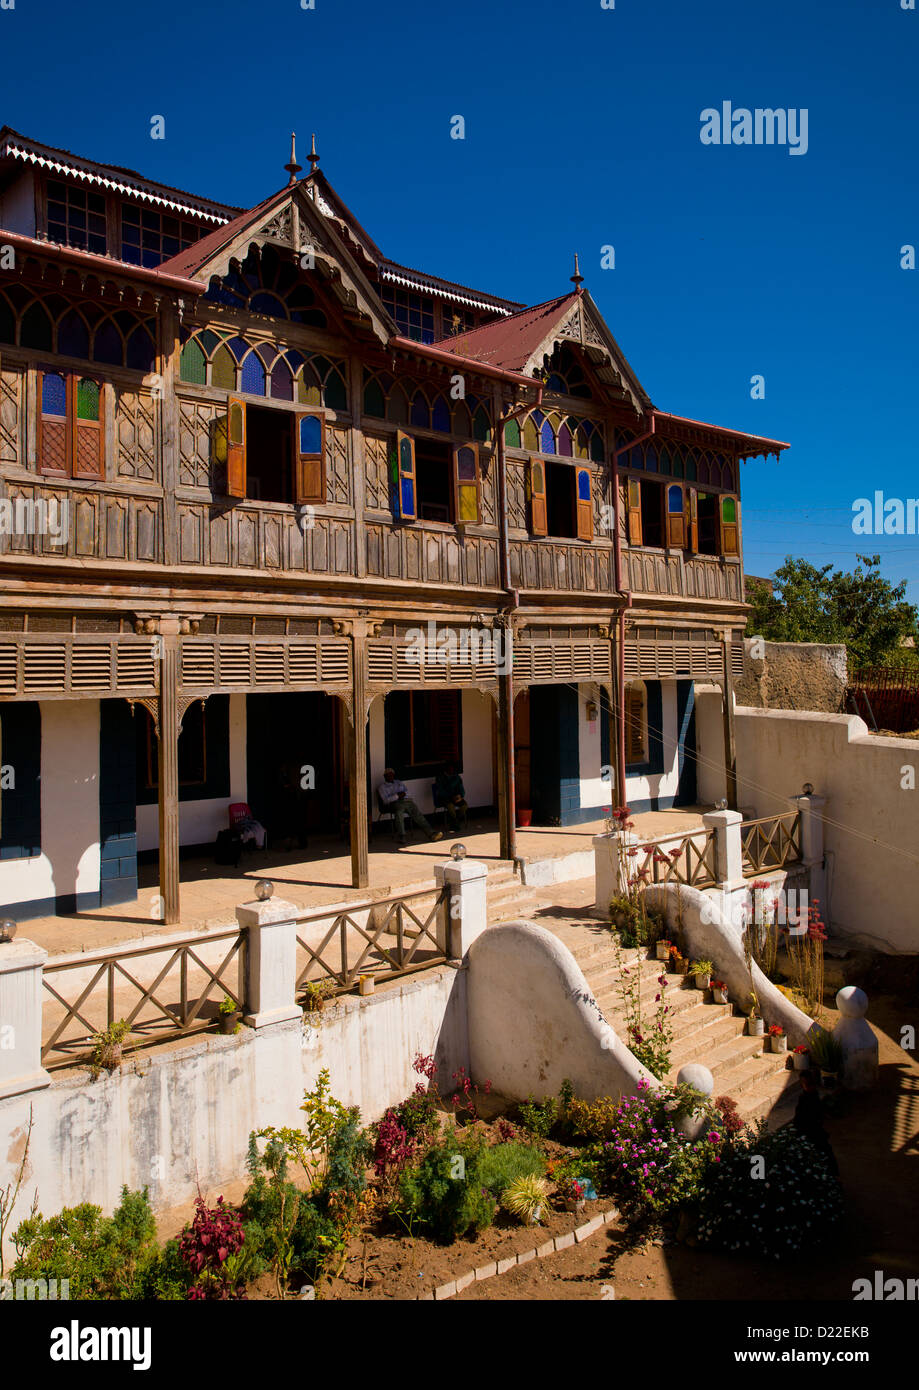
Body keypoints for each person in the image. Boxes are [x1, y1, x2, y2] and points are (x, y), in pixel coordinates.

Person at [791, 1069, 839, 1176]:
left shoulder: (812, 1097)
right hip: (807, 1130)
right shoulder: (804, 1098)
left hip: (815, 1130)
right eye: (806, 1084)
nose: (808, 1086)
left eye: (810, 1084)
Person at [378, 768, 443, 846]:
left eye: (391, 775)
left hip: (406, 801)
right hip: (394, 804)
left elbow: (407, 792)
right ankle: (402, 835)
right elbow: (385, 800)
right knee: (399, 812)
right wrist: (397, 796)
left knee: (417, 814)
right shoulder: (382, 787)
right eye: (388, 775)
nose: (390, 776)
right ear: (385, 776)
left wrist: (404, 796)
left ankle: (431, 833)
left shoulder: (399, 782)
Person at [434, 762, 468, 834]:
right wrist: (450, 796)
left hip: (456, 797)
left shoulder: (456, 777)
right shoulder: (440, 778)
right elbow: (440, 792)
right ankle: (455, 823)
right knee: (450, 807)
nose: (452, 771)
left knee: (464, 806)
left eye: (452, 770)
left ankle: (456, 822)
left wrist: (460, 796)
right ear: (445, 770)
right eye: (450, 769)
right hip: (445, 798)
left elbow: (461, 789)